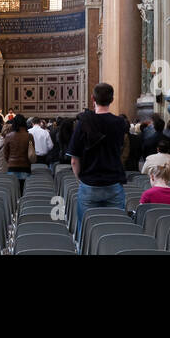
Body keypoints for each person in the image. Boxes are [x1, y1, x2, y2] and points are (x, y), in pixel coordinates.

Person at [67, 83, 129, 235]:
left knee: (87, 232)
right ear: (112, 99)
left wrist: (80, 178)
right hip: (113, 182)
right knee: (116, 231)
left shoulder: (83, 123)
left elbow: (74, 159)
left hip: (89, 183)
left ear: (92, 98)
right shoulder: (120, 123)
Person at [0, 113, 35, 186]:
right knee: (24, 190)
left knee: (13, 191)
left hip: (12, 167)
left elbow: (6, 154)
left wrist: (10, 161)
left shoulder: (8, 136)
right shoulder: (29, 136)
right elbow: (32, 152)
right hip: (25, 166)